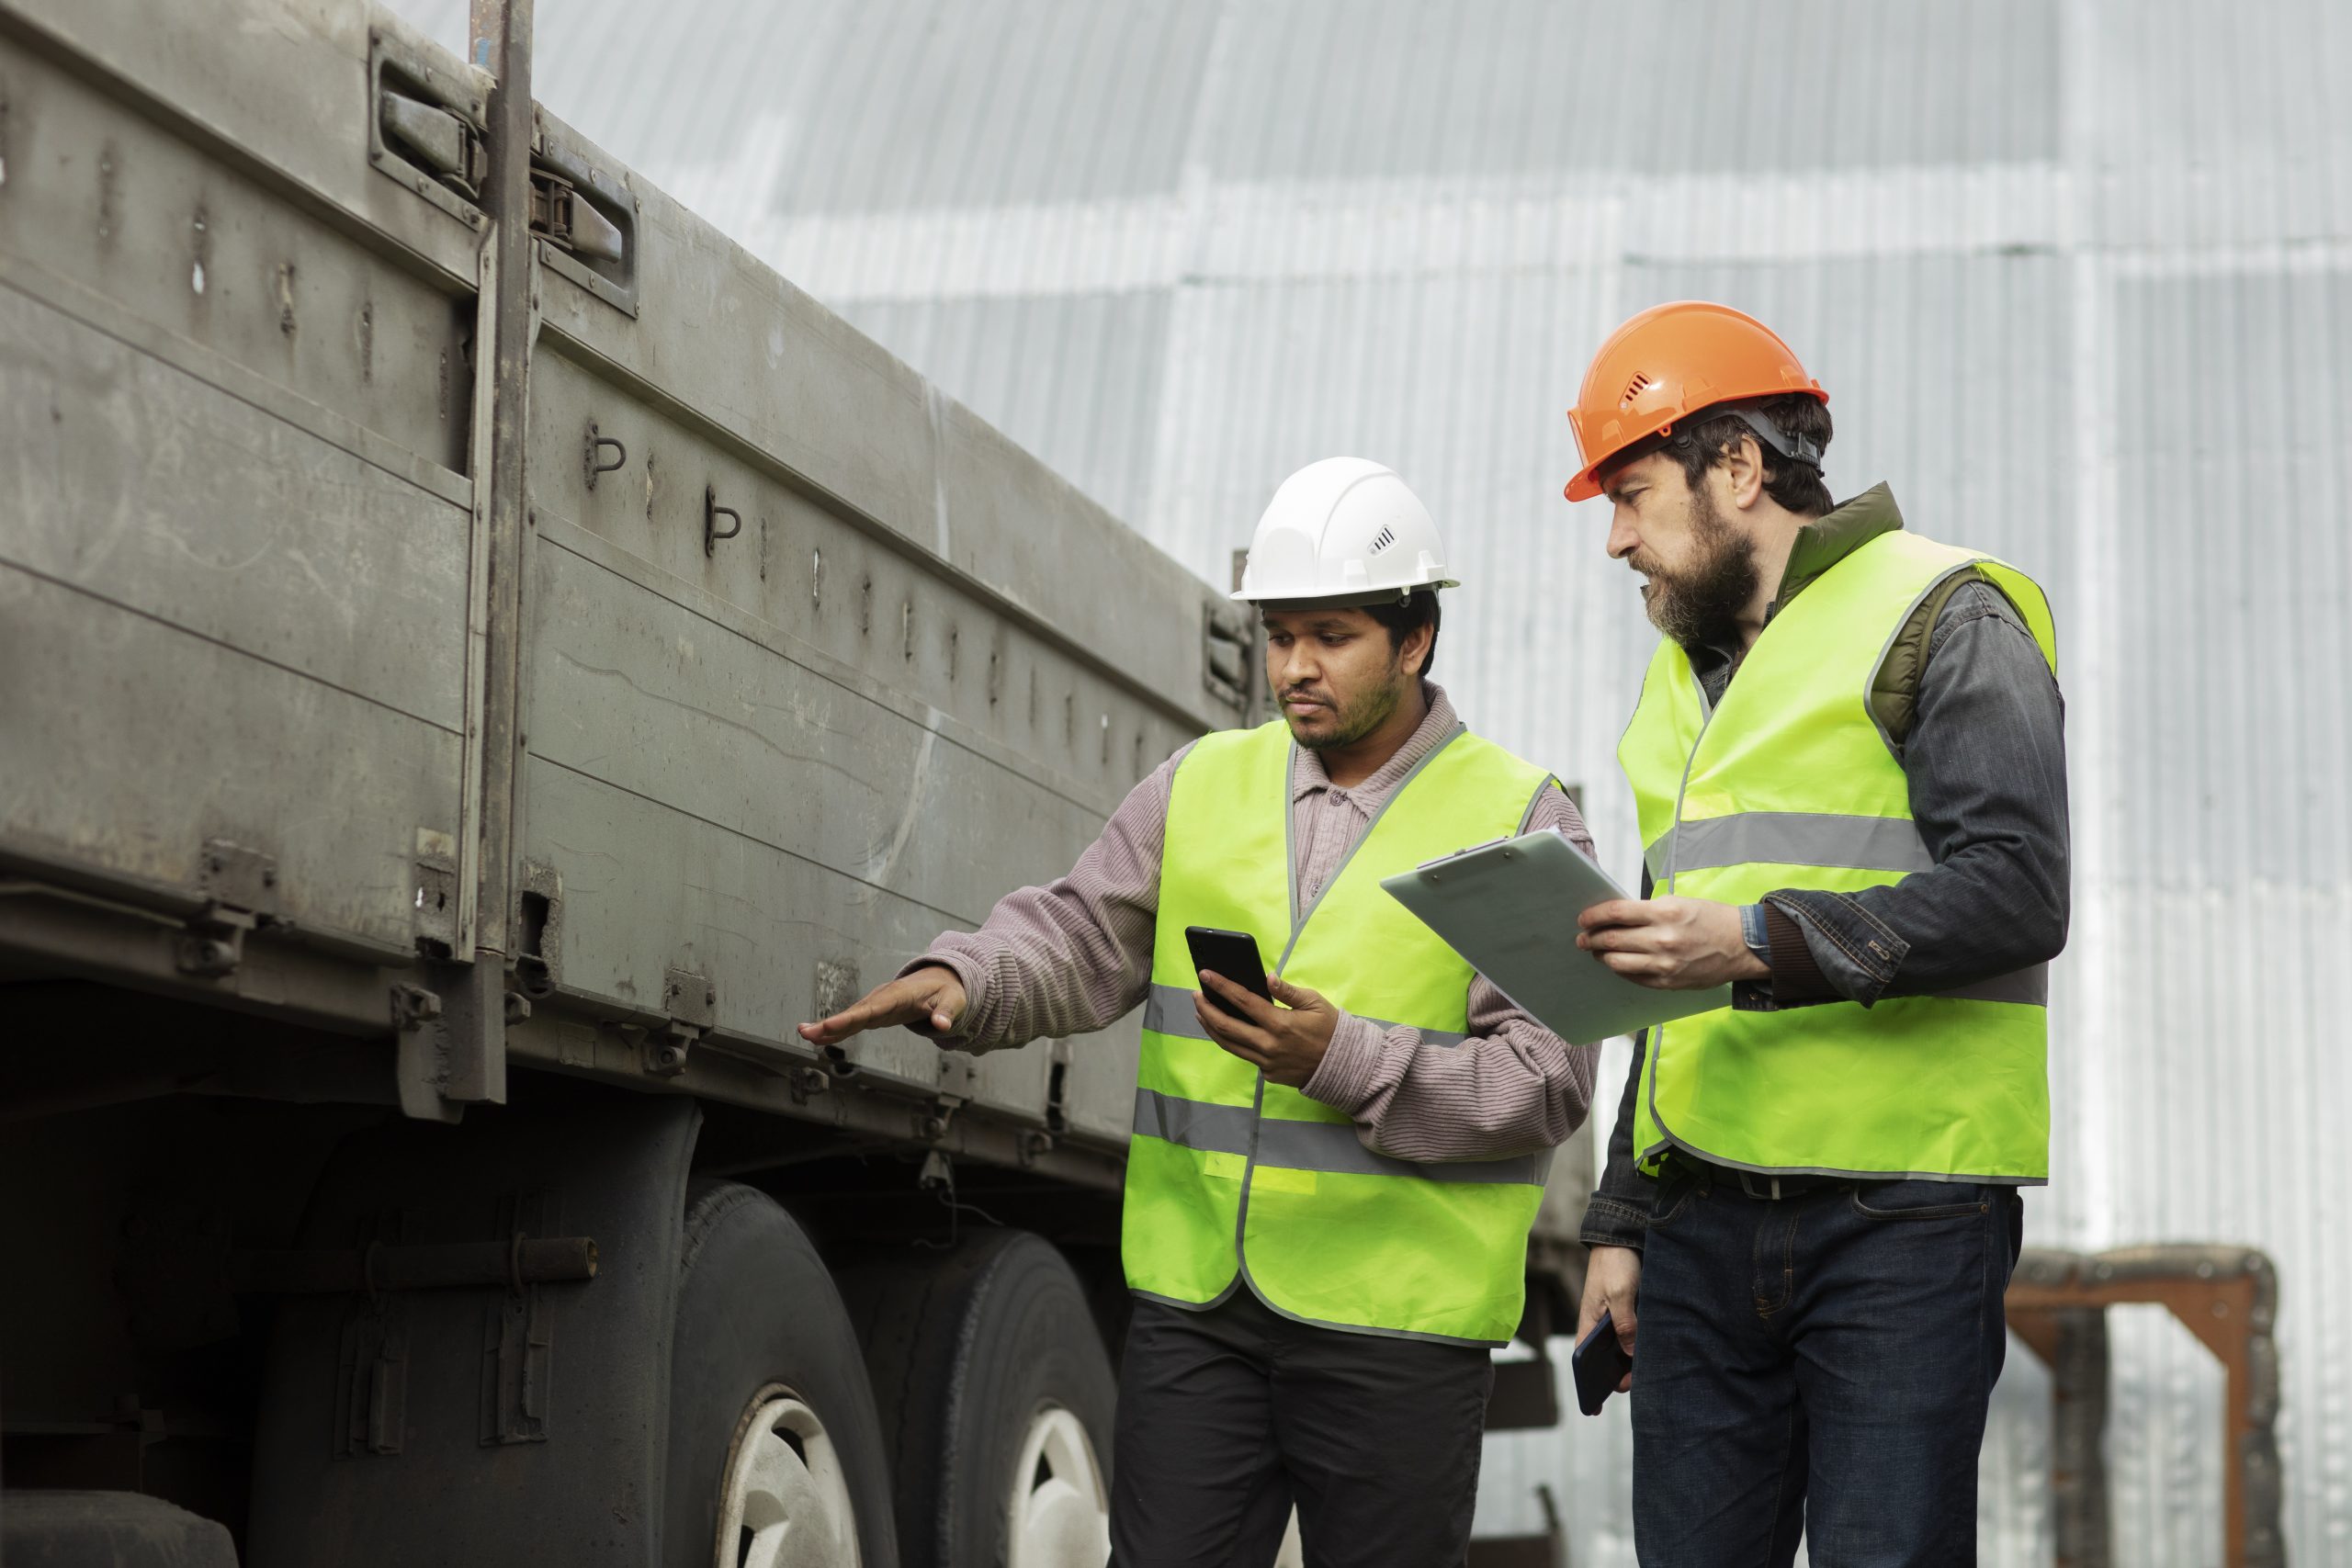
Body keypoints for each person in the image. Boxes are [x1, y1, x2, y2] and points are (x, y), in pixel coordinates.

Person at [802, 457, 1599, 1568]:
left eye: (1331, 636)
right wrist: (968, 982)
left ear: (1413, 641)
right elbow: (1080, 936)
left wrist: (1344, 1058)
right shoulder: (1201, 783)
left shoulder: (1519, 816)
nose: (1294, 669)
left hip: (1396, 1332)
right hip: (1199, 1312)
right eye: (1279, 637)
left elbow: (1547, 1079)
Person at [1562, 301, 2069, 1567]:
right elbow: (1660, 975)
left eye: (1631, 494)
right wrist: (1621, 1219)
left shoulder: (1947, 614)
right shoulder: (1678, 684)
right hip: (1697, 1232)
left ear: (1737, 466)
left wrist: (1751, 941)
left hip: (1899, 1227)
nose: (1616, 537)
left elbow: (2017, 888)